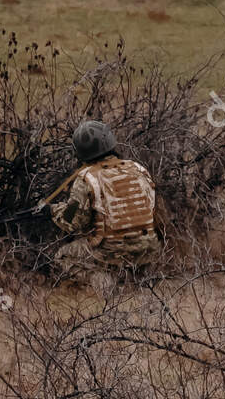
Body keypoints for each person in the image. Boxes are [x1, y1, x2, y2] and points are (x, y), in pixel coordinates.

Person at [47, 120, 159, 280]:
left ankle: (103, 282)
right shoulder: (138, 168)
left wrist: (52, 210)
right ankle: (139, 278)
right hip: (149, 247)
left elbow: (72, 221)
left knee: (62, 256)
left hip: (112, 250)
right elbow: (152, 207)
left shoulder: (86, 178)